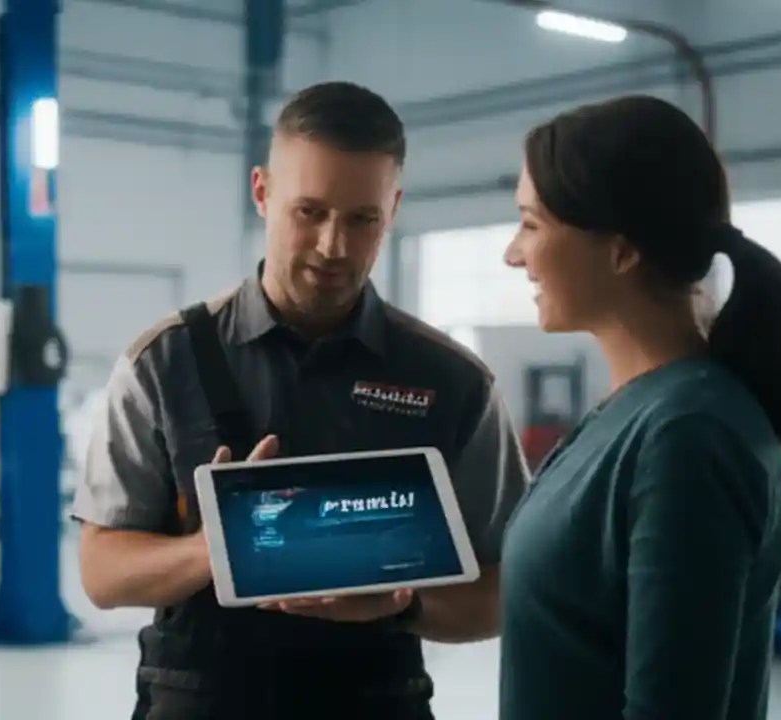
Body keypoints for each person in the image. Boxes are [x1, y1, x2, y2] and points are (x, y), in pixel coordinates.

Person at [72, 81, 530, 720]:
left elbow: (507, 588)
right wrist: (223, 546)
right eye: (309, 212)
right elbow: (101, 571)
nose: (333, 247)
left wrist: (404, 604)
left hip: (374, 701)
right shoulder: (164, 362)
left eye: (361, 218)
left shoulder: (452, 383)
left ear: (392, 209)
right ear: (262, 192)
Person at [497, 94, 781, 720]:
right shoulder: (635, 410)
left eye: (532, 224)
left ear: (622, 251)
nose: (513, 253)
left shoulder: (688, 434)